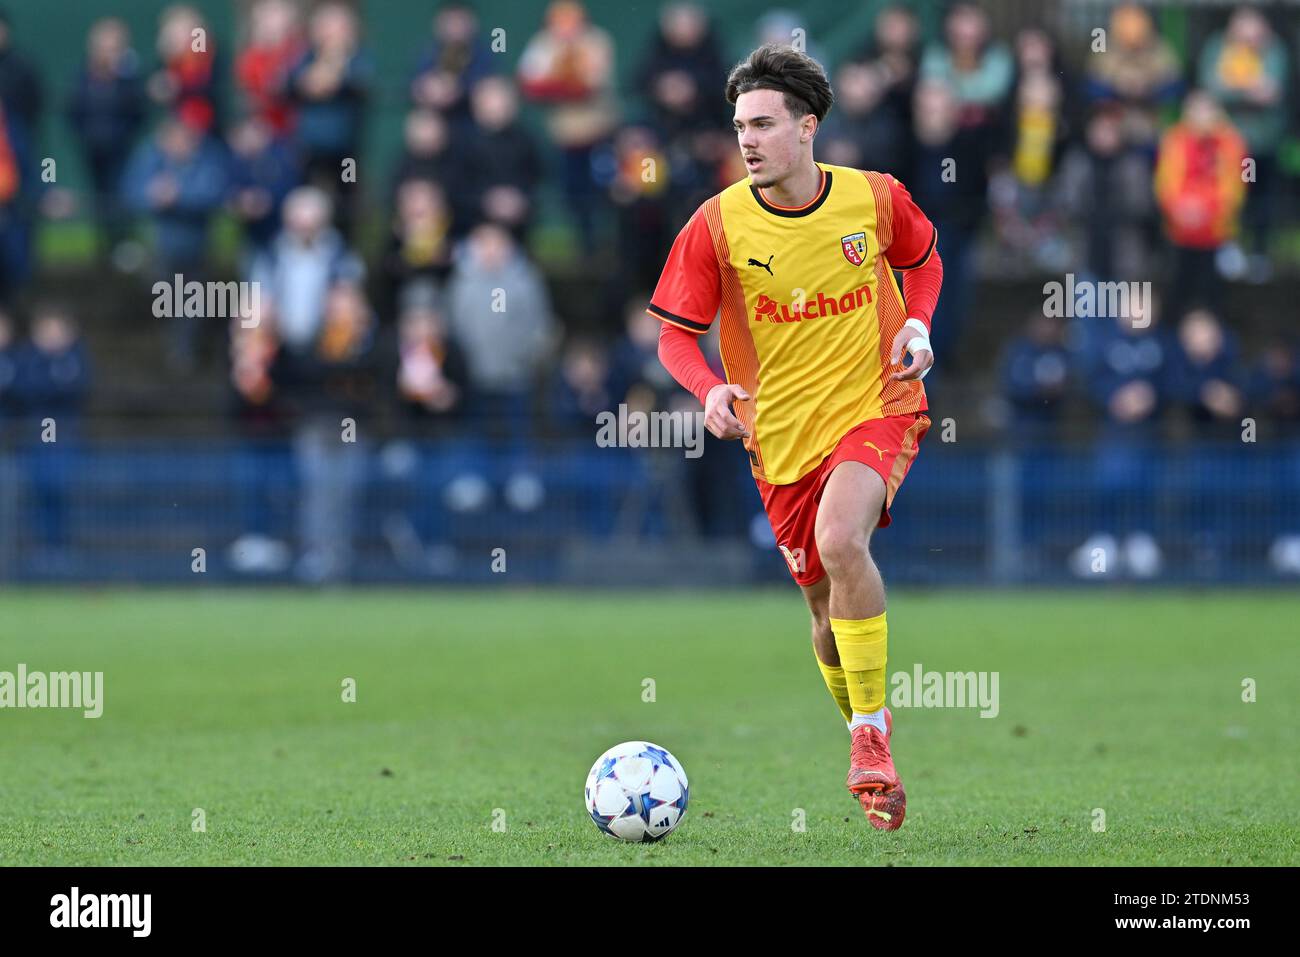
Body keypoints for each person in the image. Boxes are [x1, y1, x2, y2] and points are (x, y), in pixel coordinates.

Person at [649, 45, 943, 831]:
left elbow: (923, 259)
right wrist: (708, 387)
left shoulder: (873, 198)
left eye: (764, 124)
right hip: (777, 440)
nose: (746, 139)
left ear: (808, 127)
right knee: (820, 612)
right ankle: (866, 737)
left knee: (844, 540)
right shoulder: (717, 223)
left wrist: (916, 322)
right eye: (740, 124)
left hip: (878, 405)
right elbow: (675, 336)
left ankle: (871, 740)